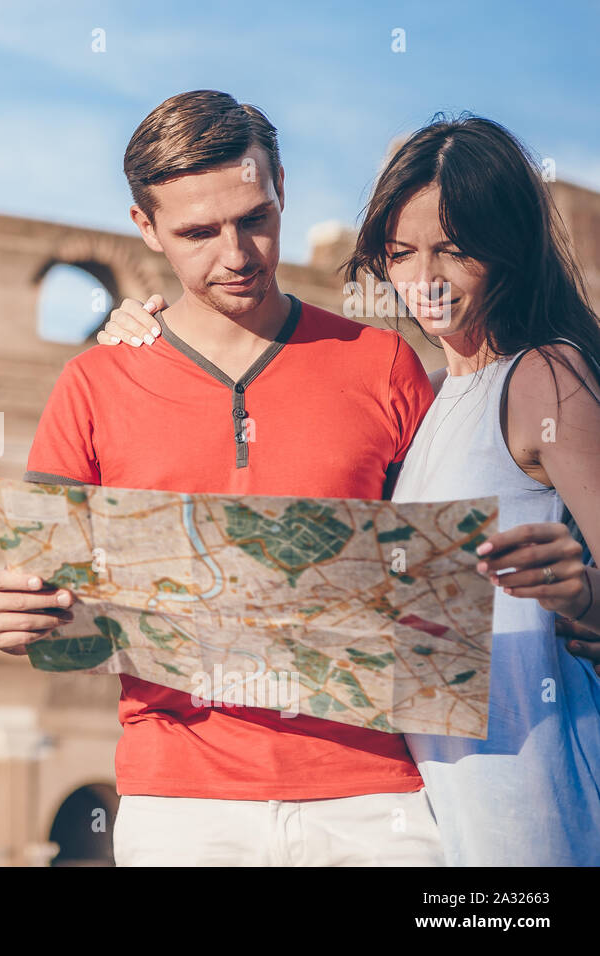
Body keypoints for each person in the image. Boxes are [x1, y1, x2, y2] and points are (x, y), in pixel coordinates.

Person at [95, 114, 600, 865]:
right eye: (400, 253)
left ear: (510, 246)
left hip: (526, 778)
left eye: (454, 250)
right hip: (433, 788)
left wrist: (582, 595)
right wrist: (157, 331)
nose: (424, 280)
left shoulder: (547, 378)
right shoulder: (431, 394)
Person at [0, 90, 445, 865]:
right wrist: (12, 616)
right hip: (181, 810)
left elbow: (438, 590)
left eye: (254, 218)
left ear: (282, 189)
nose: (236, 255)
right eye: (197, 232)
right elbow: (52, 605)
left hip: (376, 801)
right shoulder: (93, 386)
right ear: (145, 229)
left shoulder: (383, 365)